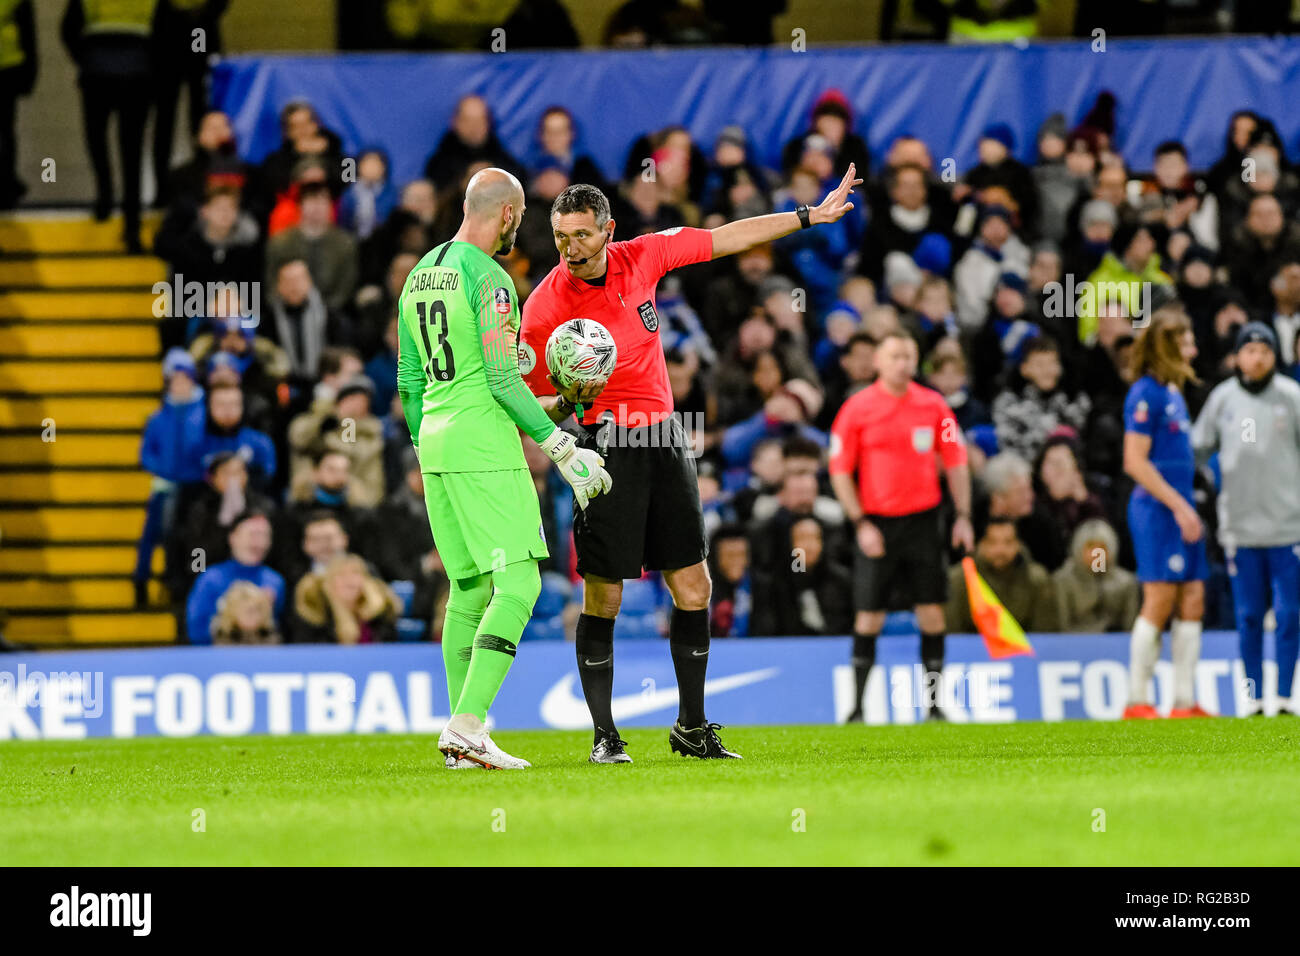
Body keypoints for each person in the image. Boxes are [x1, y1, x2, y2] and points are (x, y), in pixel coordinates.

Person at [519, 165, 861, 762]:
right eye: (560, 236)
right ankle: (604, 736)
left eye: (581, 235)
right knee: (604, 597)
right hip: (605, 447)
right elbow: (522, 398)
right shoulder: (547, 303)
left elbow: (728, 235)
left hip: (666, 441)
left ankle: (692, 727)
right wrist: (568, 400)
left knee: (695, 587)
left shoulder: (642, 258)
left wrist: (810, 214)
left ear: (609, 231)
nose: (571, 249)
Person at [396, 167, 611, 770]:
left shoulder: (419, 275)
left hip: (436, 448)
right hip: (484, 451)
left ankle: (463, 737)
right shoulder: (490, 278)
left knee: (467, 589)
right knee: (519, 583)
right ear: (509, 215)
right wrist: (562, 448)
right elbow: (497, 377)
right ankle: (468, 725)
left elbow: (411, 383)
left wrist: (426, 446)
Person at [829, 330, 974, 723]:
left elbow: (957, 461)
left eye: (909, 355)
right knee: (869, 615)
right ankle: (857, 708)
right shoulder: (857, 409)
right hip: (877, 523)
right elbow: (840, 470)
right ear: (878, 361)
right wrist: (860, 522)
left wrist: (963, 516)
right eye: (895, 356)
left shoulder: (934, 406)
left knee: (931, 613)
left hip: (925, 521)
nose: (903, 363)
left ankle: (933, 706)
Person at [1192, 323, 1300, 716]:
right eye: (1250, 350)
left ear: (1275, 356)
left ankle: (1286, 698)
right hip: (1240, 528)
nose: (1257, 357)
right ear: (1237, 356)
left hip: (1289, 529)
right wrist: (1212, 481)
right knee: (1249, 616)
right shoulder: (1223, 399)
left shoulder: (1291, 397)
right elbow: (1197, 447)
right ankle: (1253, 698)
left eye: (1265, 350)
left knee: (1290, 615)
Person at [1121, 306, 1211, 719]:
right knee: (1159, 597)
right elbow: (1135, 463)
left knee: (1193, 595)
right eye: (1186, 341)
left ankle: (1184, 701)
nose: (1193, 349)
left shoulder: (1174, 393)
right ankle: (1137, 699)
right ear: (1167, 347)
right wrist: (1178, 505)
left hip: (1181, 508)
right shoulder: (1145, 393)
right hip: (1158, 510)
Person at [61, 0, 158, 252]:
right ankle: (131, 228)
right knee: (132, 153)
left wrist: (84, 58)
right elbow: (164, 33)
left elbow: (68, 28)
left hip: (97, 71)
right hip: (137, 72)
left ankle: (105, 197)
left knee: (96, 139)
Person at [945, 515, 1060, 634]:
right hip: (971, 649)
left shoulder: (1036, 579)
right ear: (980, 545)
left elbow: (1044, 633)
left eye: (1008, 542)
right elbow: (952, 634)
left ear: (1018, 545)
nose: (1000, 549)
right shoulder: (959, 580)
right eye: (992, 542)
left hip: (1023, 648)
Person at [185, 509, 284, 644]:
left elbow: (280, 628)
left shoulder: (275, 581)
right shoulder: (210, 579)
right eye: (253, 535)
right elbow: (196, 629)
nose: (258, 542)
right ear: (233, 538)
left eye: (264, 536)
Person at [290, 554, 403, 644]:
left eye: (355, 573)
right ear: (329, 582)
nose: (349, 580)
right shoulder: (316, 614)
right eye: (341, 575)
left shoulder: (381, 614)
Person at [1053, 518, 1140, 633]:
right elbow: (1061, 625)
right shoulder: (1063, 580)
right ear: (1078, 548)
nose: (1096, 554)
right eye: (1090, 547)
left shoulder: (1127, 583)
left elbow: (1130, 627)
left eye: (1102, 547)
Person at [0, 0, 36, 210]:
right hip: (8, 69)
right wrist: (30, 73)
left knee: (6, 132)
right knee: (6, 131)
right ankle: (7, 185)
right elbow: (28, 33)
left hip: (8, 68)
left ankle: (8, 183)